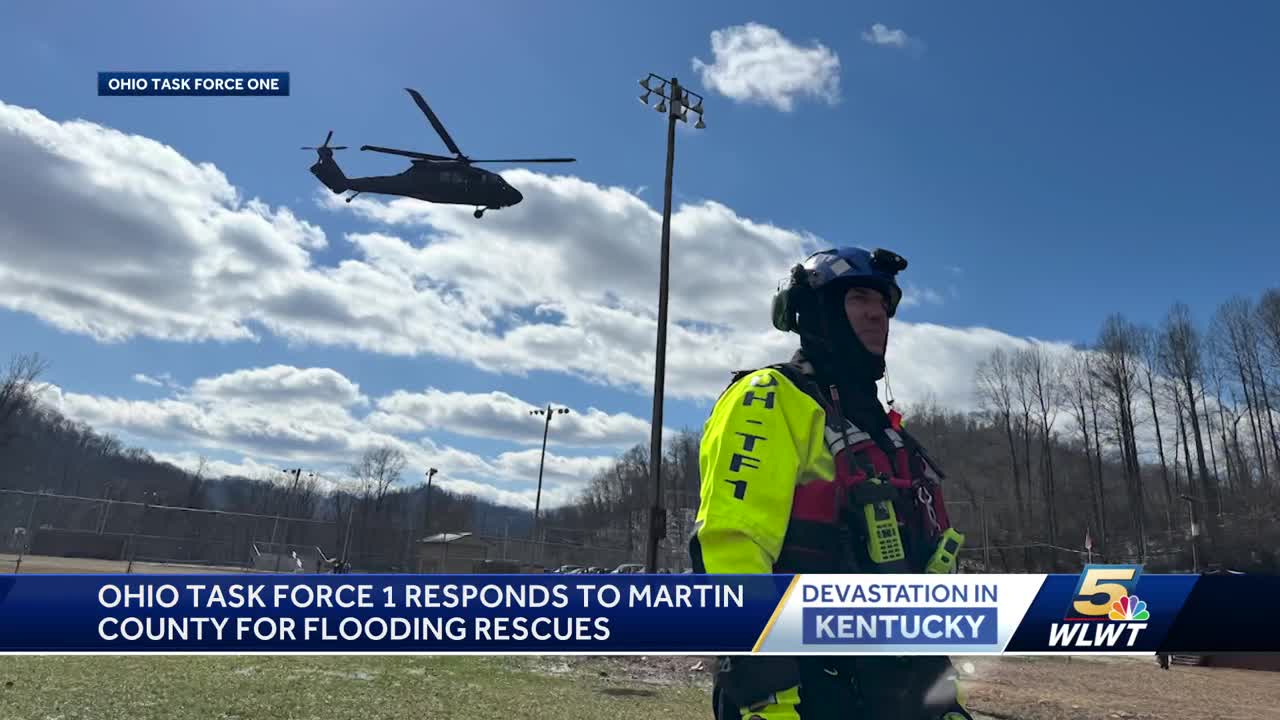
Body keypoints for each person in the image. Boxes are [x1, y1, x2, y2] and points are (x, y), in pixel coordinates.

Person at [691, 247, 971, 720]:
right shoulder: (771, 398)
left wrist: (945, 701)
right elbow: (730, 549)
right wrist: (766, 696)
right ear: (815, 311)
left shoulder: (886, 429)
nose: (876, 314)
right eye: (858, 298)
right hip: (807, 691)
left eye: (883, 304)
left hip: (903, 689)